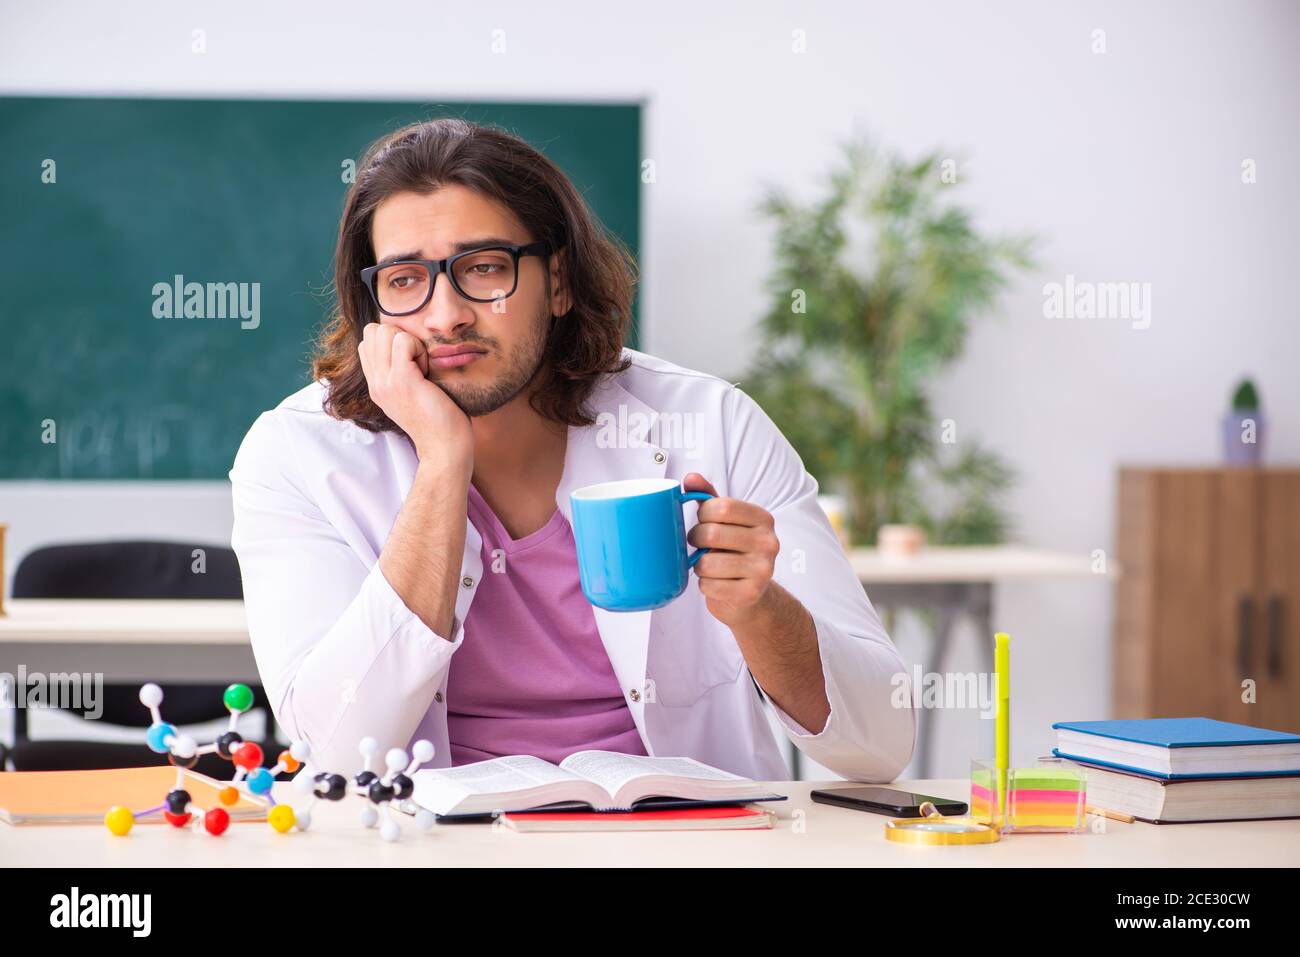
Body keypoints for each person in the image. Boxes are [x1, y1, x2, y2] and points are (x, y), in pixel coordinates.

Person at [229, 118, 914, 780]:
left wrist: (760, 611)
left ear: (557, 281)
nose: (446, 315)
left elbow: (882, 746)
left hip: (687, 845)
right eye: (406, 280)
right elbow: (342, 747)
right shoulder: (297, 455)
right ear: (373, 306)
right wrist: (442, 462)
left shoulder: (712, 424)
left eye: (485, 267)